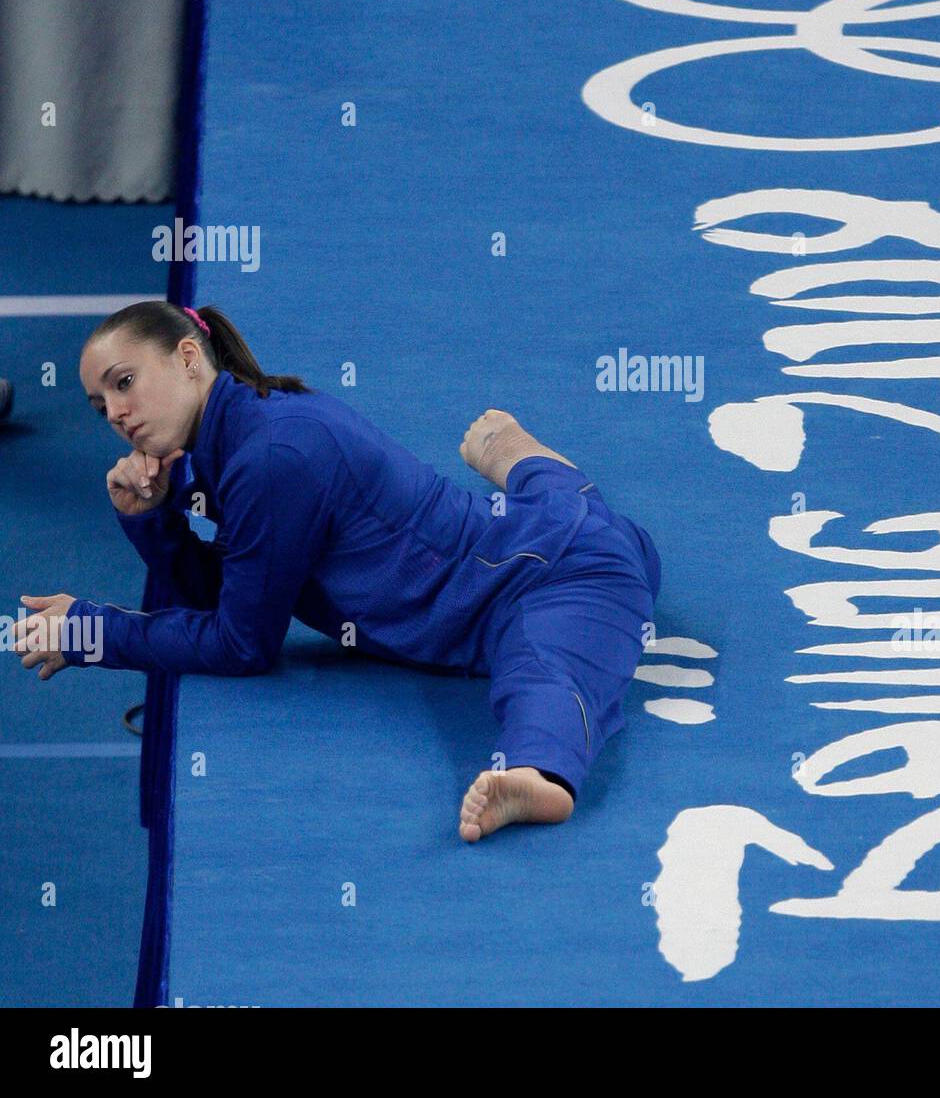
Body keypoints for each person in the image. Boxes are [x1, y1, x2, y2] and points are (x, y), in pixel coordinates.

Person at [11, 301, 662, 841]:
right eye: (101, 407)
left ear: (187, 357)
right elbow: (234, 599)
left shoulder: (270, 456)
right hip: (528, 550)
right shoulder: (239, 435)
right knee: (576, 522)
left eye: (125, 383)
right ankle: (523, 462)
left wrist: (95, 632)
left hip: (555, 578)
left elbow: (243, 644)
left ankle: (538, 776)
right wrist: (153, 520)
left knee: (541, 672)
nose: (117, 414)